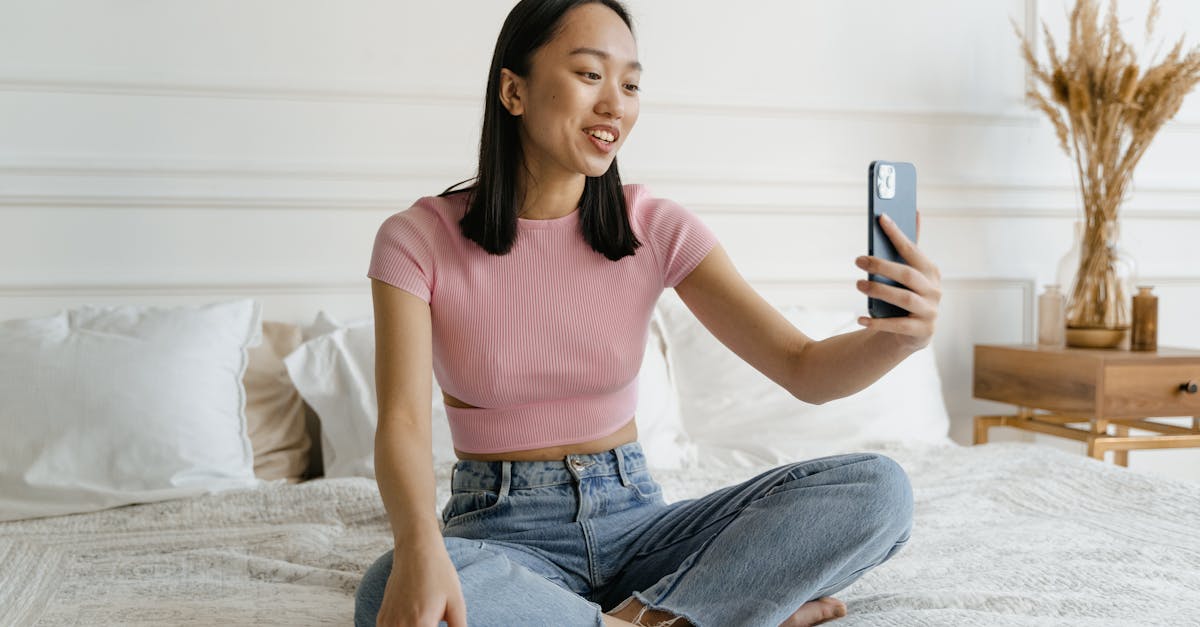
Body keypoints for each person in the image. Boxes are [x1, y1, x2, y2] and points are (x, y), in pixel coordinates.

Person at [354, 1, 940, 625]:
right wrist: (421, 546)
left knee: (877, 489)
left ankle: (656, 614)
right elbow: (403, 422)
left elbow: (805, 369)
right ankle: (704, 614)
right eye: (589, 75)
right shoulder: (416, 239)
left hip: (640, 530)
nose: (616, 105)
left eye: (630, 84)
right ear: (513, 89)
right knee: (388, 584)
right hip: (501, 532)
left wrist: (898, 340)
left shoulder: (654, 227)